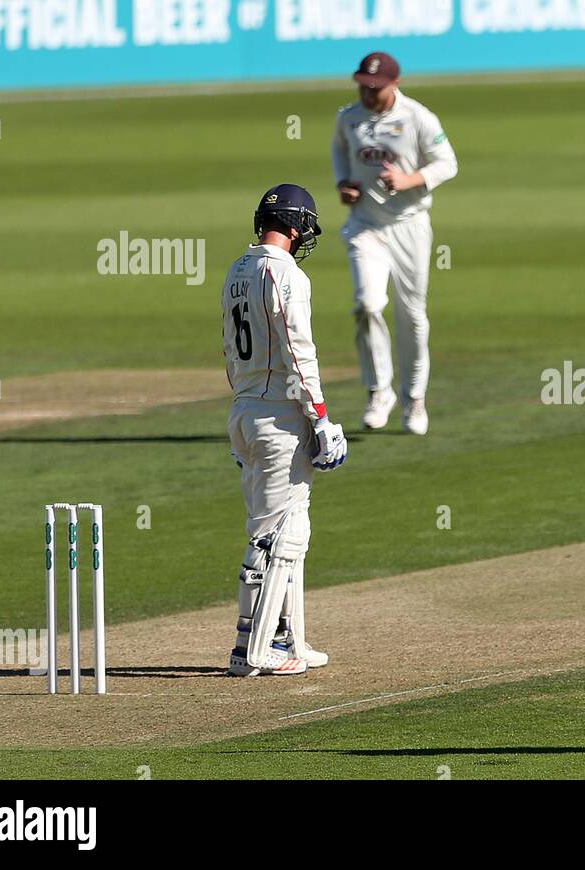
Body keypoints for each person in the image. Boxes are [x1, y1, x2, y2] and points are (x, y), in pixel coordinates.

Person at [222, 184, 348, 677]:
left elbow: (229, 351)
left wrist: (241, 414)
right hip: (280, 416)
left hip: (246, 410)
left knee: (285, 527)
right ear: (296, 228)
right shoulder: (287, 274)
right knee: (279, 535)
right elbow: (299, 350)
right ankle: (252, 649)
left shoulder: (237, 270)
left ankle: (287, 639)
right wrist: (321, 419)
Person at [332, 51, 459, 435]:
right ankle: (378, 391)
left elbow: (448, 163)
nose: (367, 93)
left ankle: (414, 399)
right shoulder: (348, 117)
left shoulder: (417, 117)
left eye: (375, 87)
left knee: (412, 317)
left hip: (409, 226)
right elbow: (340, 150)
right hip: (366, 225)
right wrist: (344, 185)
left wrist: (411, 179)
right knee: (367, 304)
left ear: (395, 84)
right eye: (363, 86)